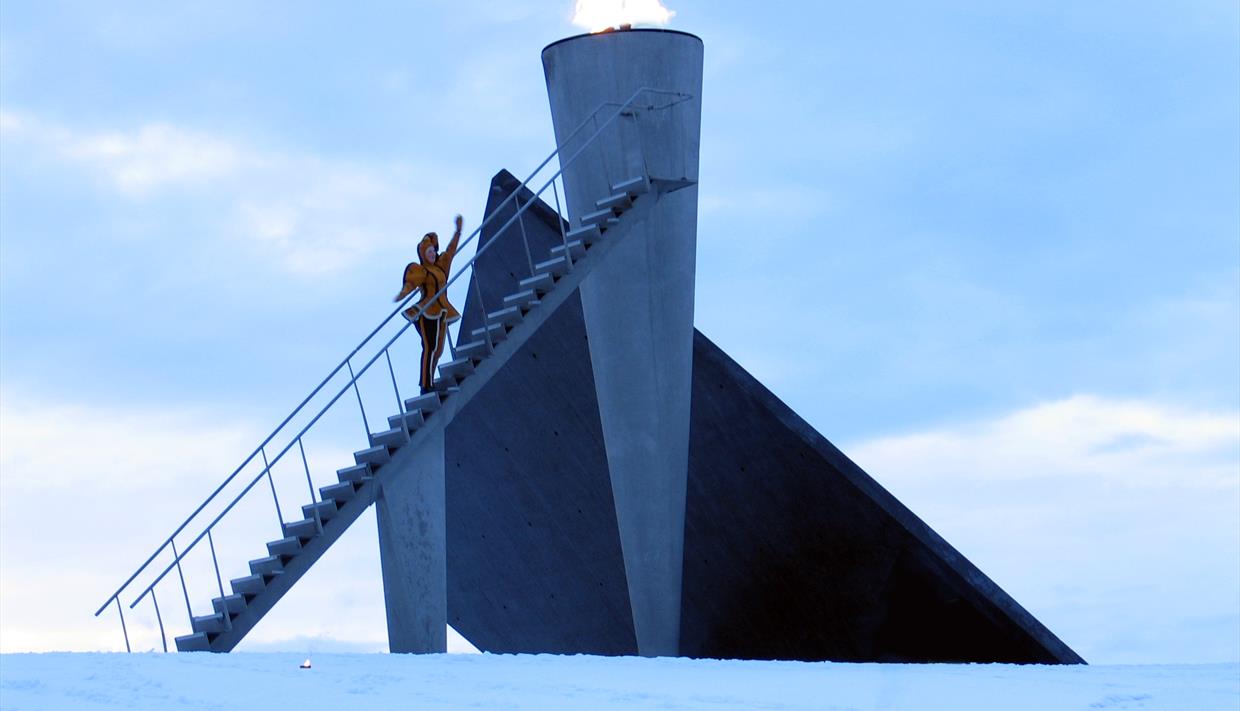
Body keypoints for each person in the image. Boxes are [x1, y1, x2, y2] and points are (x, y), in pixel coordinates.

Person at [394, 215, 463, 394]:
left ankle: (430, 380)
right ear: (423, 255)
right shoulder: (422, 270)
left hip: (441, 311)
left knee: (438, 349)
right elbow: (412, 281)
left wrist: (458, 232)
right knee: (429, 346)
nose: (432, 254)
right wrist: (404, 292)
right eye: (428, 252)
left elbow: (450, 251)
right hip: (426, 312)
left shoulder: (440, 267)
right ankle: (425, 385)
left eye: (433, 251)